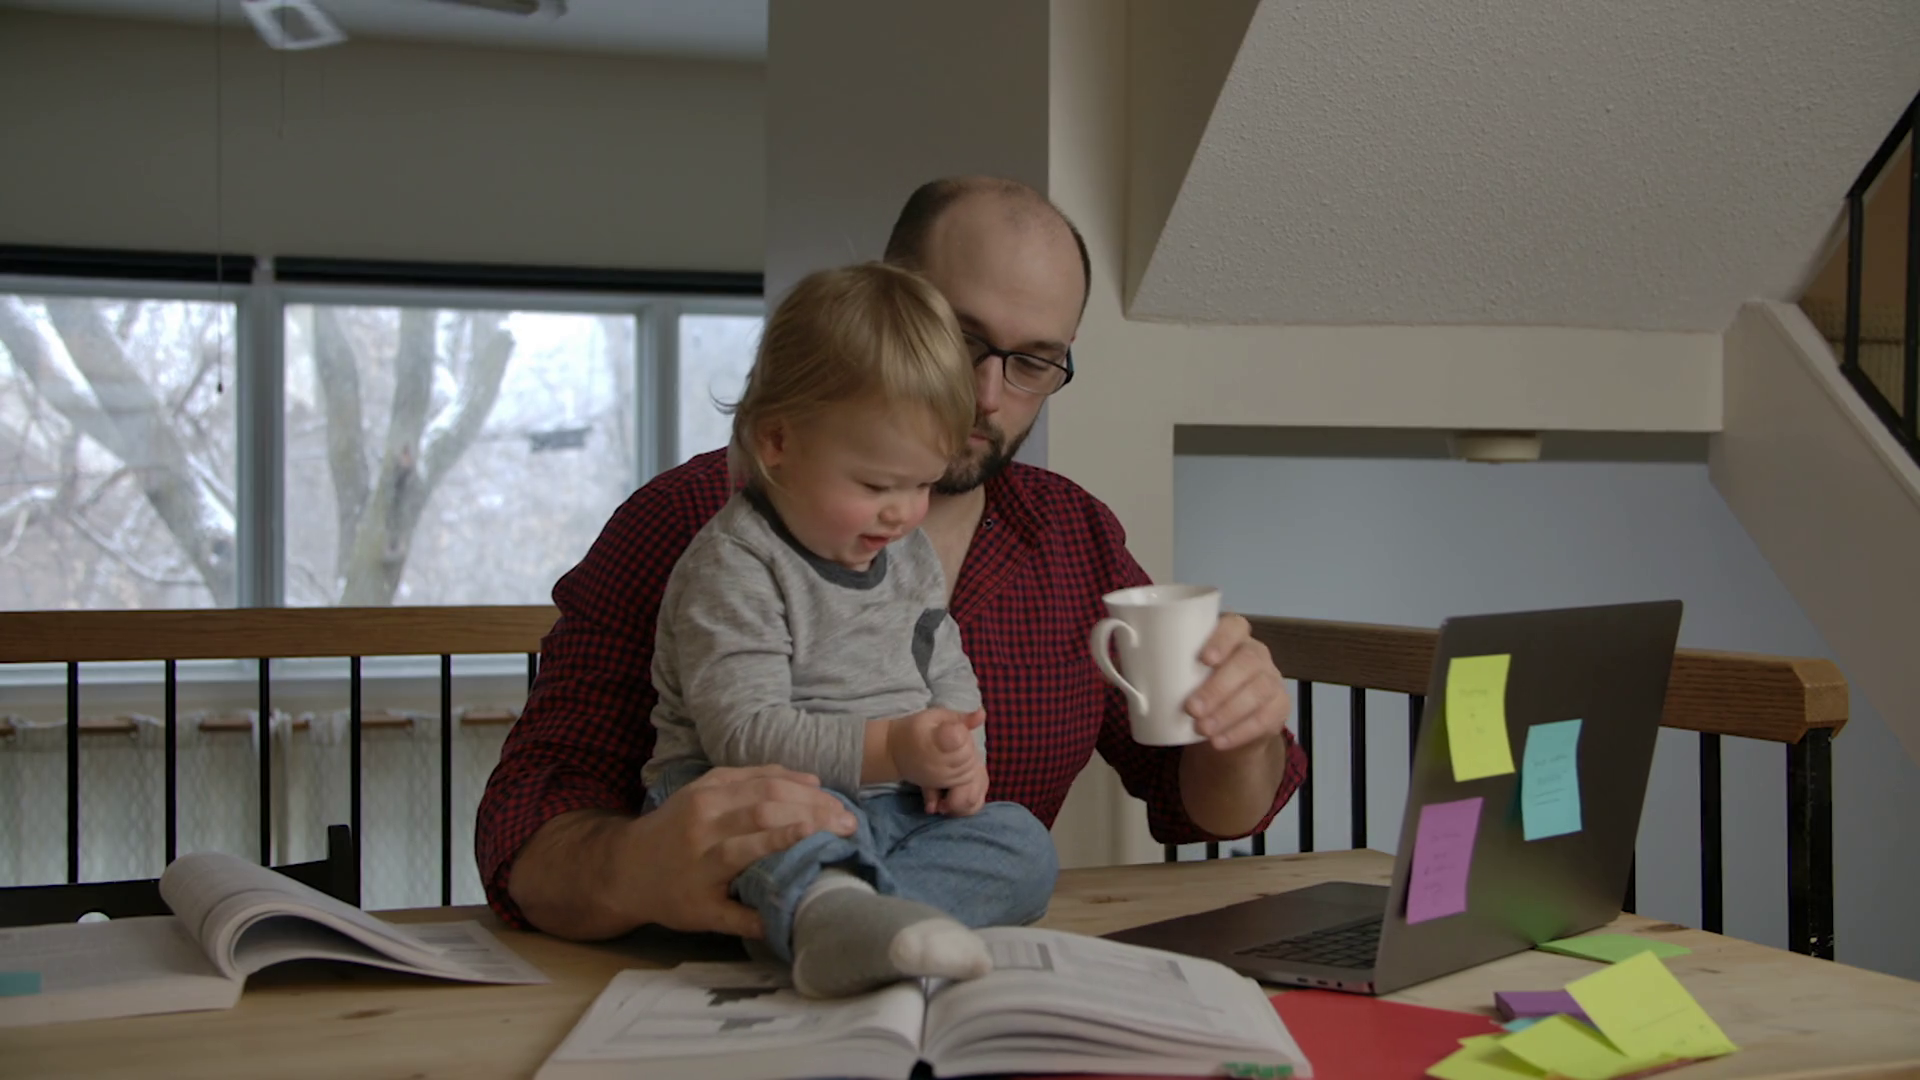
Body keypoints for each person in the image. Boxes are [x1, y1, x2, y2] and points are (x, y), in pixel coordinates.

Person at [477, 176, 1307, 943]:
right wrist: (633, 871)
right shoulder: (691, 523)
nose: (985, 394)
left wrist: (1238, 735)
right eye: (959, 336)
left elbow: (1208, 811)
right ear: (887, 307)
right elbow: (526, 824)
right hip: (708, 982)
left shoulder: (1070, 534)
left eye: (1033, 362)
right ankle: (827, 914)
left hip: (966, 994)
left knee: (1020, 848)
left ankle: (866, 928)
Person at [644, 261, 1056, 997]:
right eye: (875, 486)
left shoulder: (907, 553)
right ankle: (830, 906)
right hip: (762, 796)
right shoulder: (735, 563)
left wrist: (965, 755)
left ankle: (843, 920)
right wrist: (893, 744)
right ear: (777, 441)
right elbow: (743, 732)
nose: (903, 513)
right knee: (775, 833)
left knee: (1022, 845)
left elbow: (945, 667)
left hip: (894, 807)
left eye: (923, 484)